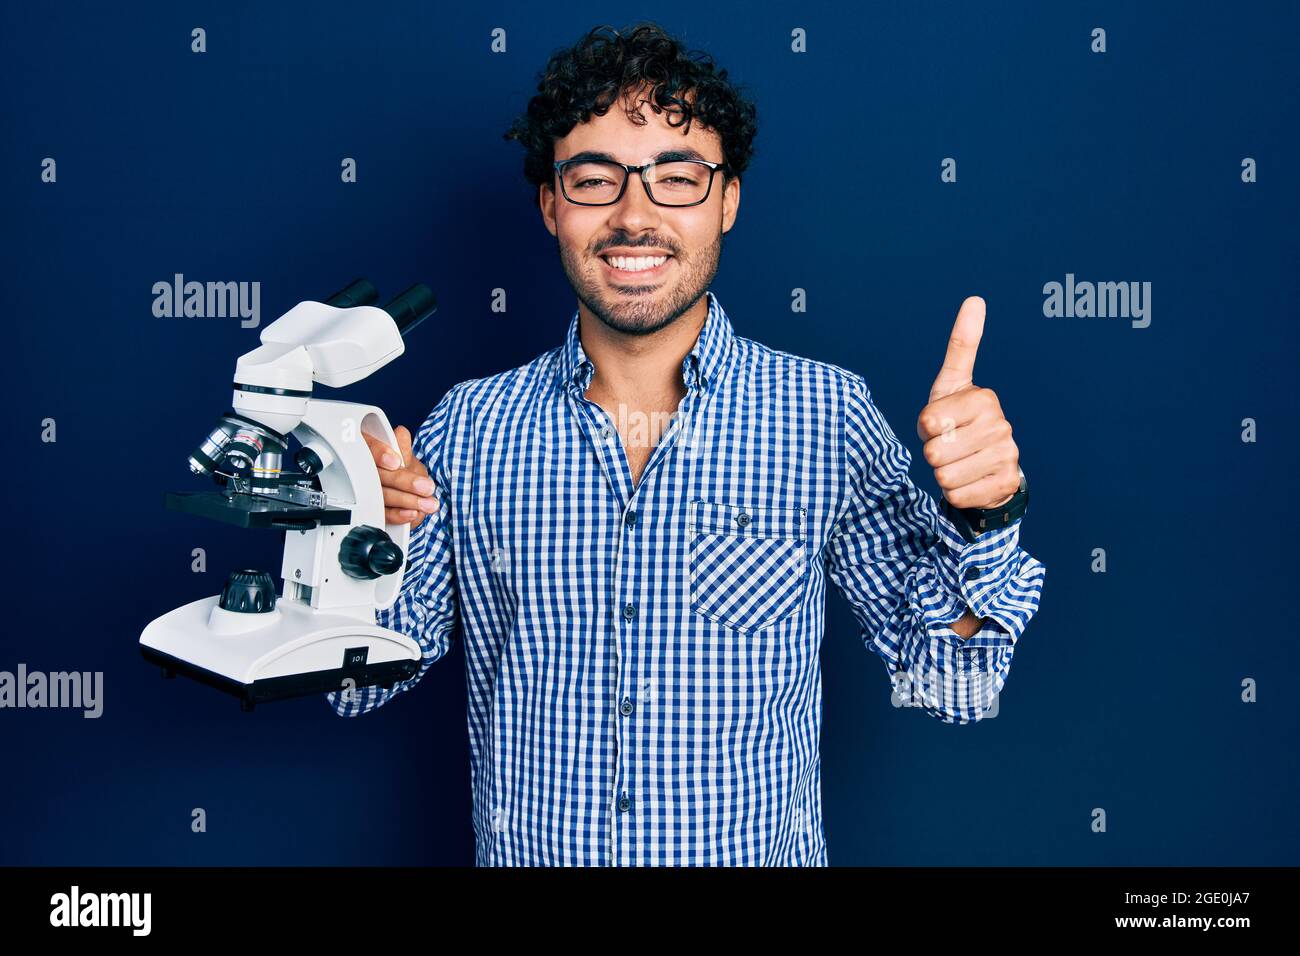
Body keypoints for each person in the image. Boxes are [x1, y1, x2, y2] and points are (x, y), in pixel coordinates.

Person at [327, 22, 1045, 866]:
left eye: (677, 177)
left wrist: (989, 516)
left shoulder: (826, 416)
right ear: (552, 205)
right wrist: (353, 537)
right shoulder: (467, 429)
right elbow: (354, 691)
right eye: (595, 178)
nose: (636, 216)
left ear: (727, 201)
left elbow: (954, 686)